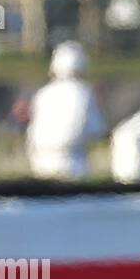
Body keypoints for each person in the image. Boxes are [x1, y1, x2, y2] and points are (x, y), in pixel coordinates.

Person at [26, 41, 107, 179]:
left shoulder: (44, 93)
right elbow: (98, 130)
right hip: (74, 162)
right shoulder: (84, 93)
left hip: (41, 161)